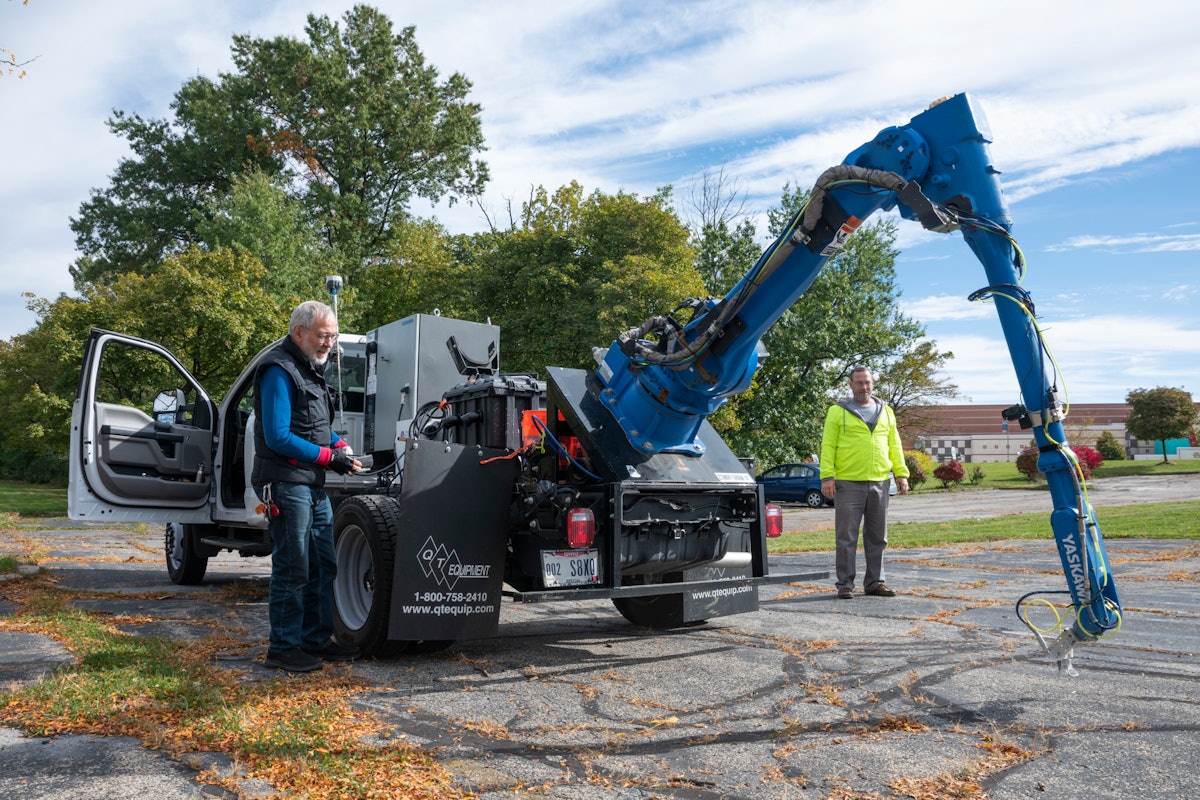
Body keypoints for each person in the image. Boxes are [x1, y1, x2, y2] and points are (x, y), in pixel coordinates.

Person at [252, 300, 363, 672]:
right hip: (286, 484)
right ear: (298, 332)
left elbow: (312, 424)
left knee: (323, 564)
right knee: (293, 566)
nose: (328, 343)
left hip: (310, 484)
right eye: (322, 335)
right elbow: (279, 435)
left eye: (332, 336)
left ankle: (315, 641)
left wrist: (337, 444)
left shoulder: (309, 370)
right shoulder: (278, 370)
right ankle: (282, 648)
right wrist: (329, 458)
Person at [819, 366, 909, 600]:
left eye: (867, 382)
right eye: (859, 383)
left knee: (878, 536)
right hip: (848, 483)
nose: (864, 387)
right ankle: (845, 584)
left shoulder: (886, 411)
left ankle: (875, 582)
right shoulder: (837, 411)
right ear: (850, 385)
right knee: (846, 536)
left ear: (873, 383)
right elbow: (828, 445)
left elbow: (895, 444)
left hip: (880, 482)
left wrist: (901, 473)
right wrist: (828, 476)